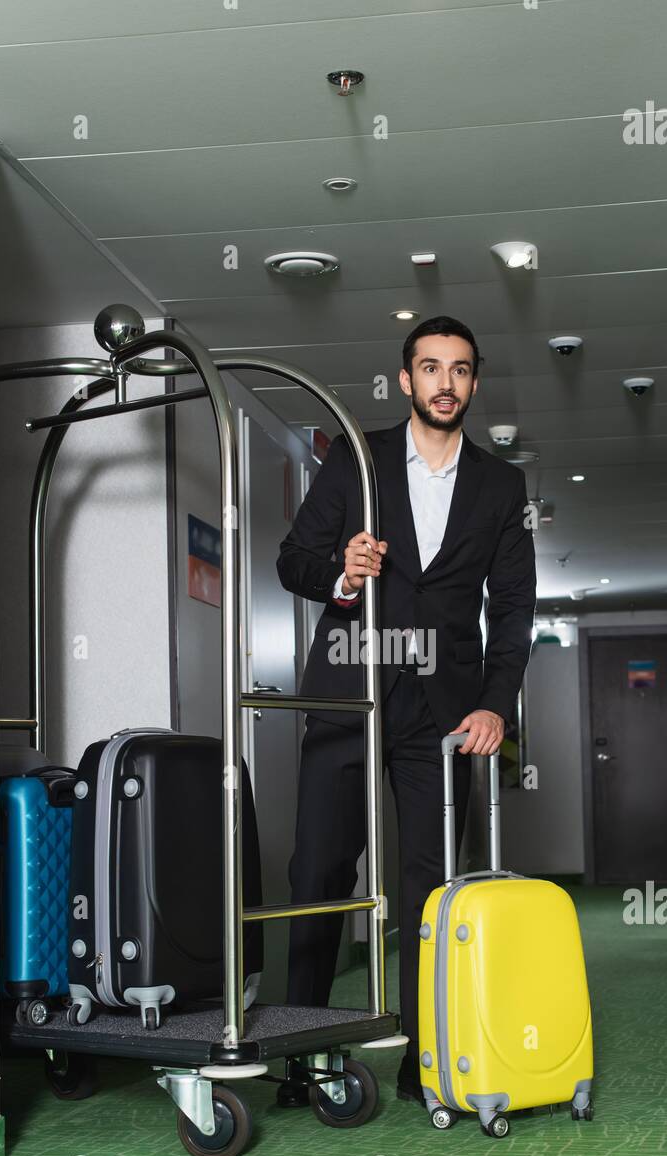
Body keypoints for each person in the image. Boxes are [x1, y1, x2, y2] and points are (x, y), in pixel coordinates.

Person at [276, 315, 536, 1104]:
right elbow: (293, 561)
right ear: (406, 381)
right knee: (319, 871)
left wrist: (497, 705)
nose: (445, 383)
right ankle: (302, 1050)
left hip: (444, 712)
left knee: (431, 885)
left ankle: (427, 1053)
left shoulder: (501, 484)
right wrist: (343, 574)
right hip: (349, 692)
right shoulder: (357, 459)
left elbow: (514, 607)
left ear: (473, 383)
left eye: (459, 369)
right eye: (430, 368)